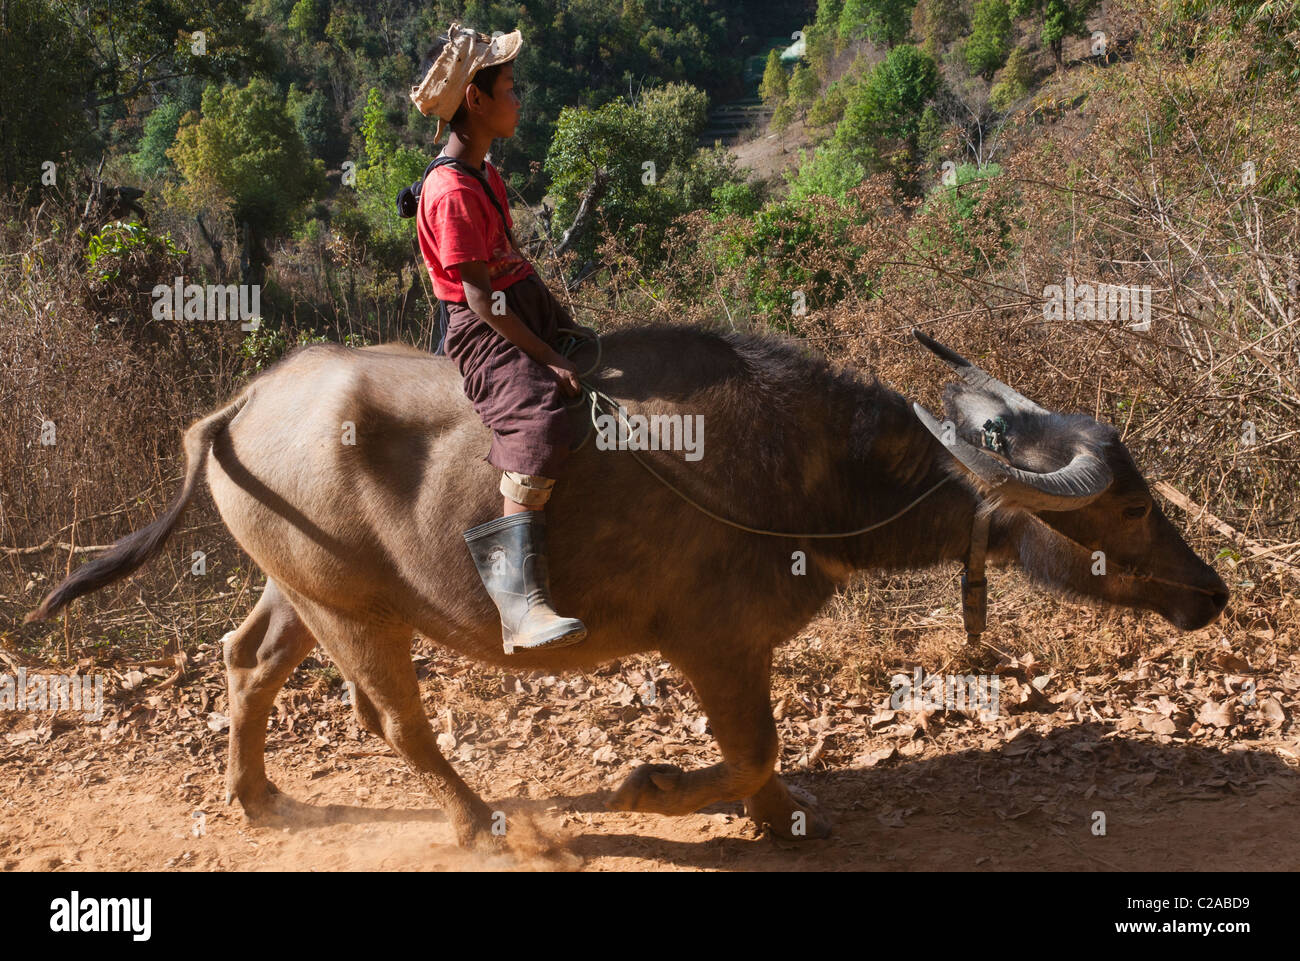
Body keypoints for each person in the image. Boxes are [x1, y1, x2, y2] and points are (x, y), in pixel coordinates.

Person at [409, 23, 587, 654]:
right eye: (509, 87)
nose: (517, 98)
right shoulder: (451, 189)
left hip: (523, 304)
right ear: (476, 102)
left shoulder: (487, 174)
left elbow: (509, 264)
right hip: (487, 329)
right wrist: (547, 359)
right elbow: (481, 299)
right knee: (537, 424)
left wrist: (560, 326)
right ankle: (520, 604)